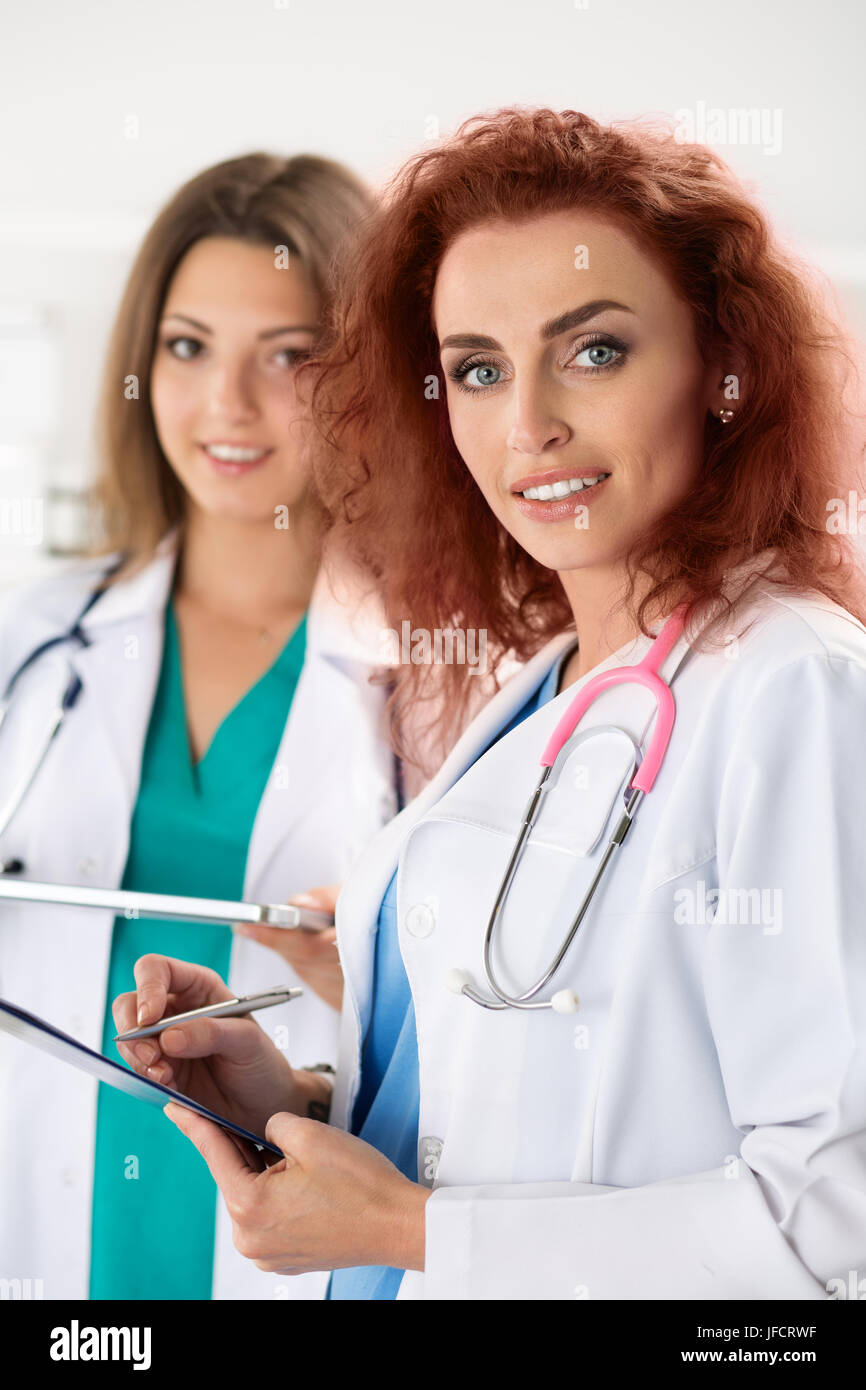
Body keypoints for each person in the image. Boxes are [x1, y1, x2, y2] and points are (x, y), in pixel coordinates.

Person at [113, 109, 866, 1300]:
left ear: (725, 370)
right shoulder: (545, 690)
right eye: (476, 367)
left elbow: (830, 1221)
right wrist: (298, 1104)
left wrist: (417, 1231)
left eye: (595, 350)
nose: (528, 425)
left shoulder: (794, 690)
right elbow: (511, 1101)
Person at [0, 152, 401, 1301]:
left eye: (287, 355)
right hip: (49, 1218)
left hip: (296, 1227)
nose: (226, 403)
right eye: (187, 347)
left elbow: (493, 1018)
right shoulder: (34, 637)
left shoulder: (439, 672)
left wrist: (379, 960)